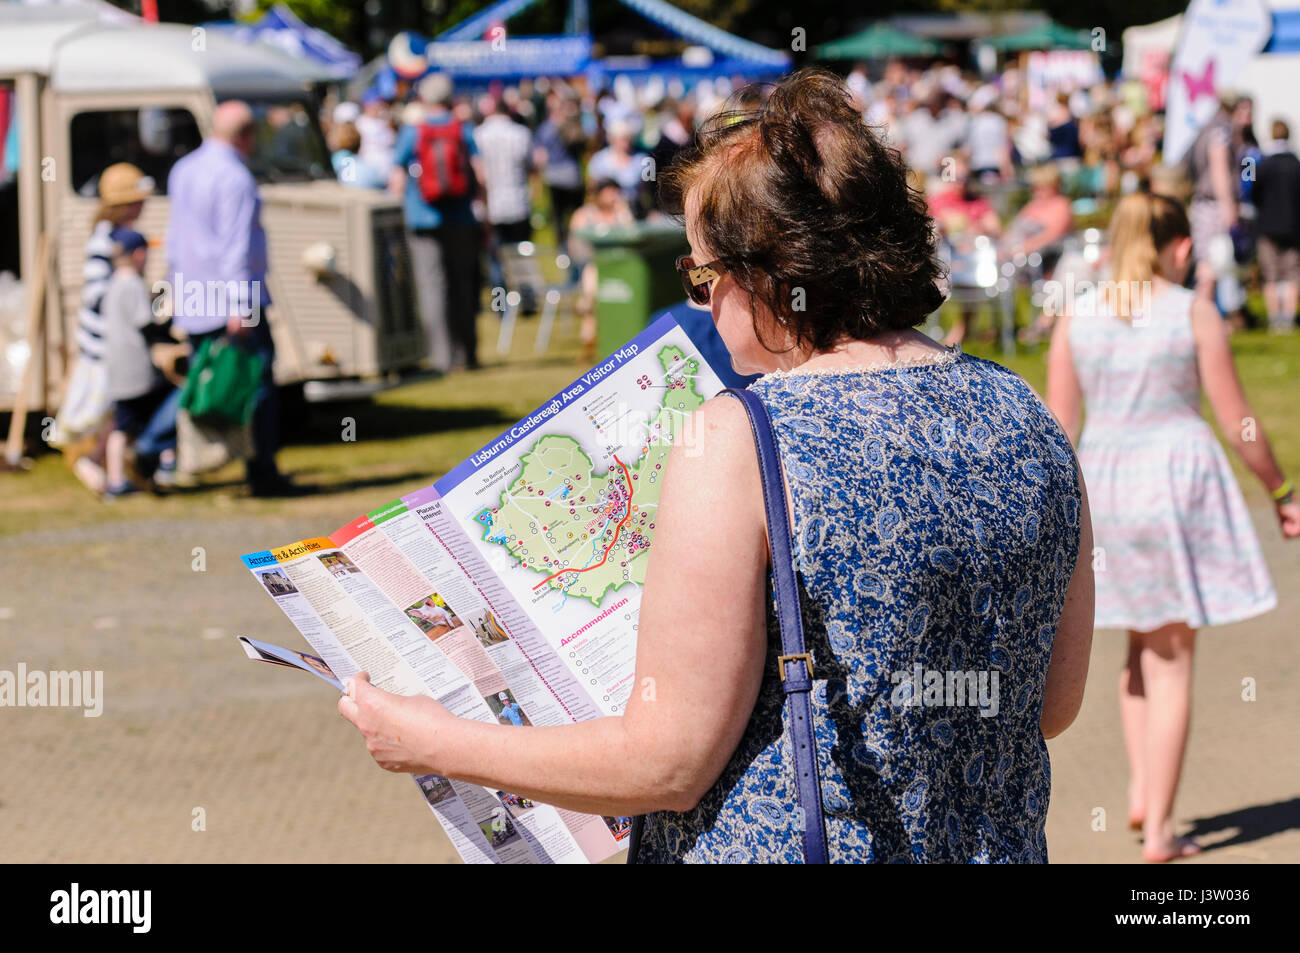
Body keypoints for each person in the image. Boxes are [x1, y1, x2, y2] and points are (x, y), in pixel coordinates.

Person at [339, 69, 1095, 864]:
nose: (701, 306)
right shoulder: (1026, 413)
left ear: (771, 274)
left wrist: (434, 741)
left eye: (704, 276)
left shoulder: (744, 437)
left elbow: (664, 761)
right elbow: (1052, 702)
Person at [1046, 190, 1298, 863]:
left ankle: (1140, 790)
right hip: (1173, 486)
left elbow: (1060, 428)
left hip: (1106, 487)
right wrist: (1281, 486)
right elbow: (1237, 418)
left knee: (1139, 648)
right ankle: (1160, 827)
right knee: (1172, 658)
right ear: (1180, 246)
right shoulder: (1189, 311)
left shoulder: (1079, 315)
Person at [167, 100, 298, 497]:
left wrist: (174, 289)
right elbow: (236, 247)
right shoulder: (235, 177)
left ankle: (166, 454)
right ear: (246, 135)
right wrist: (241, 306)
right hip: (231, 299)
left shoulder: (184, 168)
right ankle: (262, 472)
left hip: (196, 294)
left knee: (201, 379)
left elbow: (176, 236)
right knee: (254, 384)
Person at [58, 163, 155, 494]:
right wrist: (128, 290)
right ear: (123, 203)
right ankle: (94, 462)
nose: (144, 206)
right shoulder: (104, 241)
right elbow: (96, 294)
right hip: (104, 343)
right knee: (109, 408)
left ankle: (104, 464)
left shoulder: (117, 237)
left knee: (116, 410)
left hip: (113, 339)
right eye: (138, 200)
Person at [392, 74, 483, 372]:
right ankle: (467, 354)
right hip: (461, 217)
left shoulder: (413, 132)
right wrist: (485, 212)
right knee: (463, 286)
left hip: (422, 218)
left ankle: (441, 358)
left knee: (432, 287)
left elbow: (396, 174)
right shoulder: (462, 130)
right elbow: (480, 175)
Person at [101, 229, 179, 497]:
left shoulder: (112, 284)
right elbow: (147, 326)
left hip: (117, 371)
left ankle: (115, 482)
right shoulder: (132, 283)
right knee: (171, 406)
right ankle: (166, 467)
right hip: (138, 371)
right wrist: (170, 322)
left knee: (121, 426)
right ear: (138, 254)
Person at [568, 178, 635, 362]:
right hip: (588, 266)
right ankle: (589, 308)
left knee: (596, 282)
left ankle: (588, 329)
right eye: (608, 191)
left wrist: (623, 212)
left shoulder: (620, 213)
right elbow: (577, 248)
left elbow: (632, 237)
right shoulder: (583, 215)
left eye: (615, 191)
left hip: (620, 267)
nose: (612, 196)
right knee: (593, 274)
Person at [1253, 120, 1300, 332]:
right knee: (1292, 273)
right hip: (1293, 227)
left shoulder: (1260, 164)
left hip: (1267, 226)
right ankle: (1288, 318)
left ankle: (1275, 319)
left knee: (1270, 274)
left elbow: (1250, 192)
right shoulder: (1296, 165)